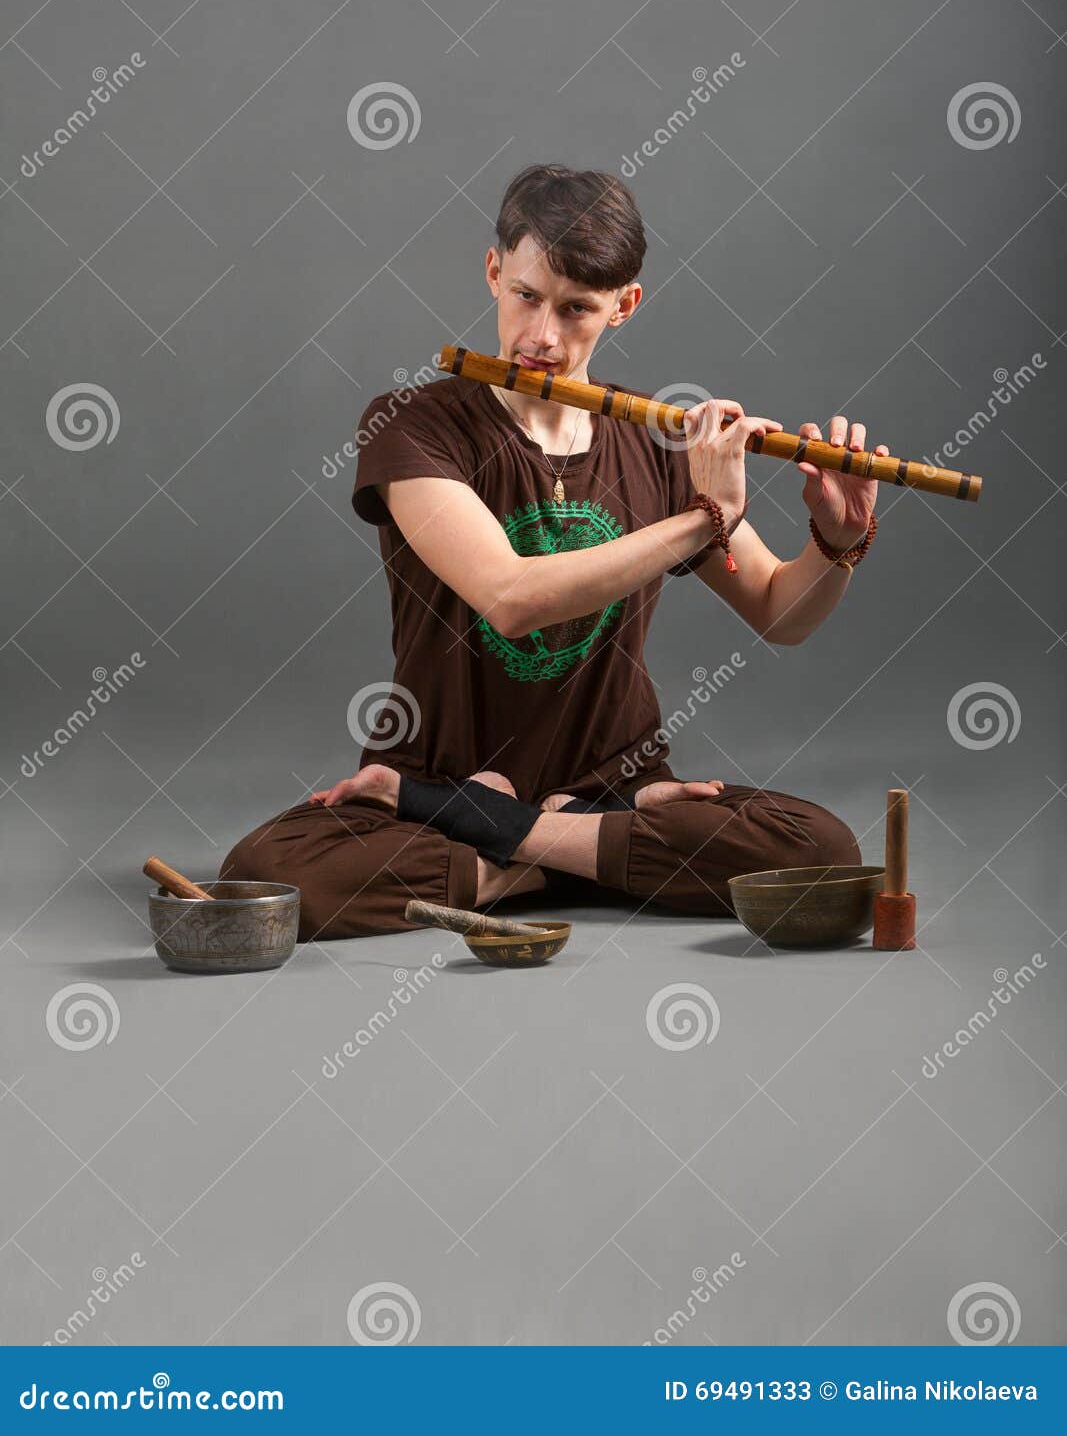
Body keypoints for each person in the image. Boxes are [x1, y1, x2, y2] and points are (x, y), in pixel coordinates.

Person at [219, 165, 887, 939]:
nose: (541, 336)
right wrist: (704, 518)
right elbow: (511, 599)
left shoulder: (654, 444)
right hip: (438, 781)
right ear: (493, 271)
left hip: (613, 787)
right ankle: (580, 853)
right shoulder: (412, 425)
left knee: (820, 852)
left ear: (622, 306)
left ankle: (507, 838)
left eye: (575, 309)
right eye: (526, 296)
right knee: (272, 875)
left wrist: (836, 541)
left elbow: (779, 612)